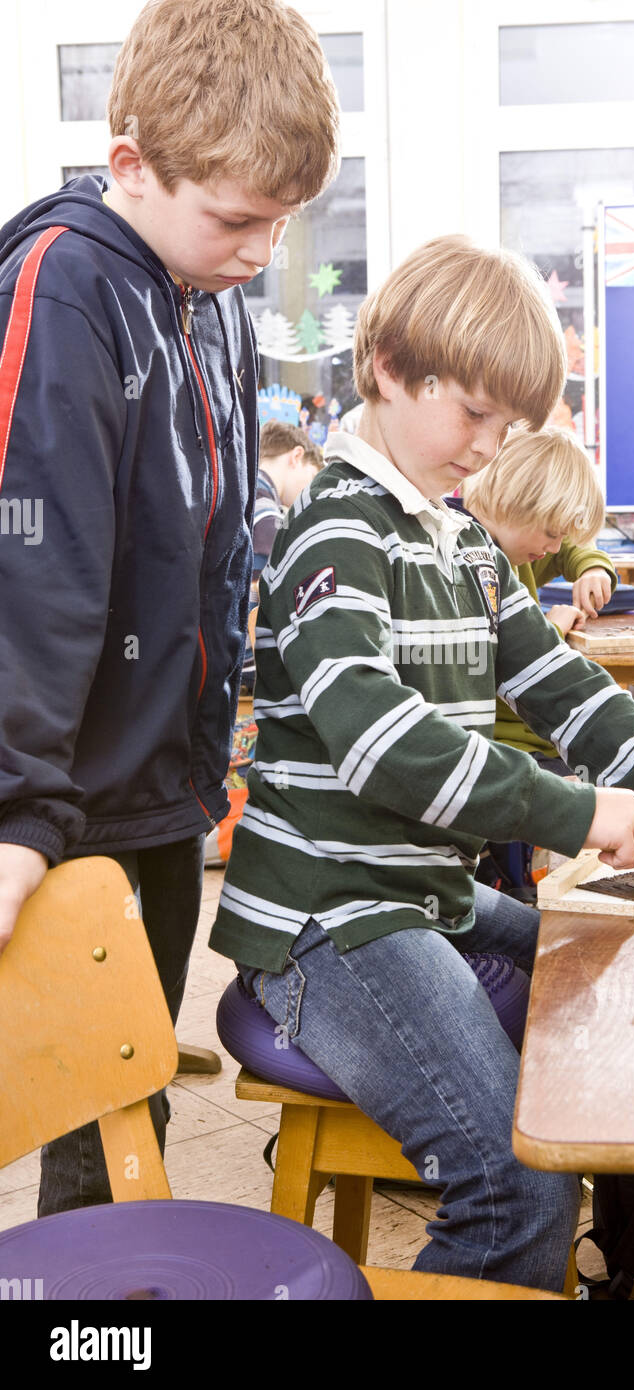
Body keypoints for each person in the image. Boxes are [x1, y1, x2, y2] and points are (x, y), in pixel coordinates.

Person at [209, 233, 634, 1292]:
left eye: (507, 424)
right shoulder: (334, 533)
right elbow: (381, 741)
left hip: (421, 894)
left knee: (631, 987)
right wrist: (571, 809)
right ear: (390, 370)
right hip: (331, 918)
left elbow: (563, 687)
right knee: (516, 1177)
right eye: (470, 413)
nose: (487, 446)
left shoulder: (463, 545)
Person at [0, 0, 339, 1216]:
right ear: (131, 165)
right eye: (237, 218)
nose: (259, 249)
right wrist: (23, 813)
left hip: (159, 783)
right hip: (69, 800)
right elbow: (35, 565)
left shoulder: (211, 297)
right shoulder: (68, 283)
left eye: (281, 223)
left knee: (131, 1075)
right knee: (86, 1112)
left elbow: (213, 533)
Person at [455, 424, 615, 774]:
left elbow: (570, 548)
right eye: (551, 534)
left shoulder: (514, 544)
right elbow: (495, 665)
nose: (555, 547)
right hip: (507, 750)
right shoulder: (467, 564)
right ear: (516, 504)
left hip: (540, 739)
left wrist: (592, 568)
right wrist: (549, 630)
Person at [241, 421, 324, 692]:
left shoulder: (244, 489)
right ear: (296, 456)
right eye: (311, 478)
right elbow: (266, 595)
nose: (308, 493)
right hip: (246, 661)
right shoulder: (266, 510)